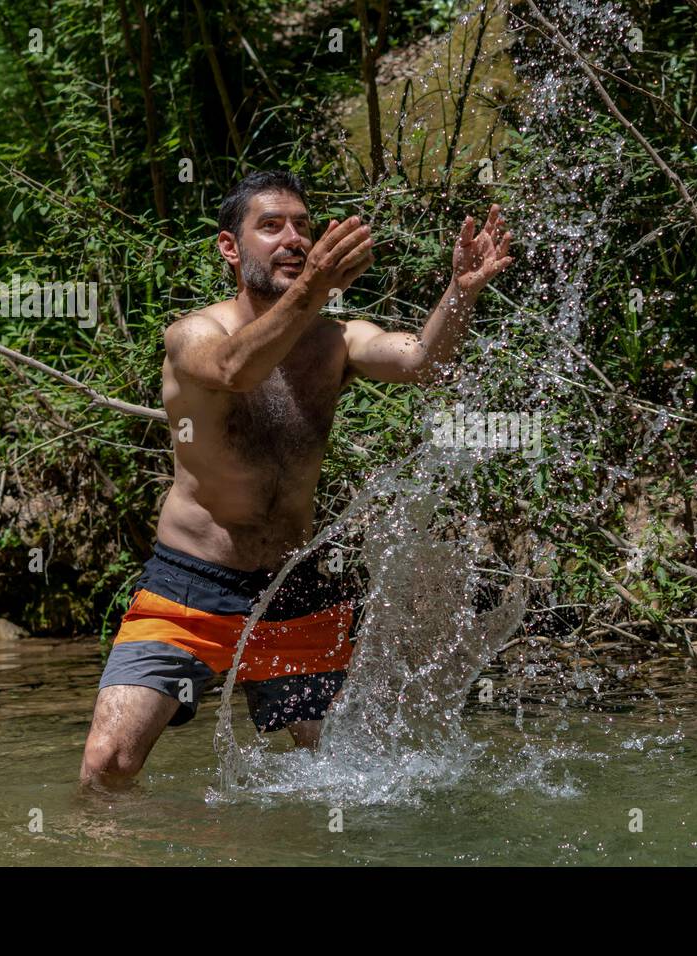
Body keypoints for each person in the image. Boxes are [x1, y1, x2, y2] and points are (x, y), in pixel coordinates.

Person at [79, 170, 514, 789]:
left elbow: (424, 361)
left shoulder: (333, 339)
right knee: (108, 764)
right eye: (272, 226)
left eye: (304, 226)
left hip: (296, 586)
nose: (294, 239)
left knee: (341, 776)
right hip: (190, 587)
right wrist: (313, 287)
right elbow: (235, 369)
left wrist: (460, 293)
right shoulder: (195, 334)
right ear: (230, 247)